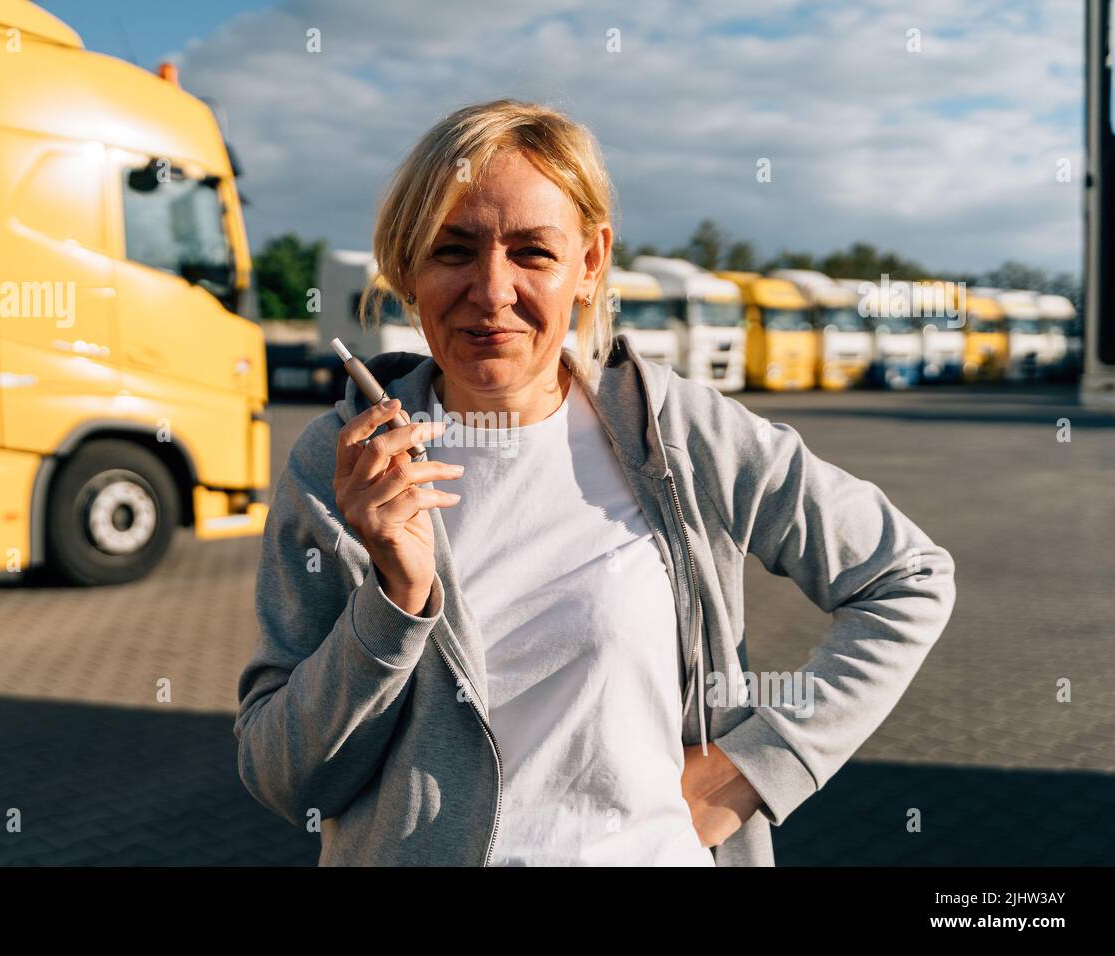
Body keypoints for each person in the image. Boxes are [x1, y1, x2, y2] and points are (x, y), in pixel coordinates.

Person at [234, 99, 956, 866]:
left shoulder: (680, 436)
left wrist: (756, 766)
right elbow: (287, 781)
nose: (491, 291)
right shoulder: (342, 462)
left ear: (590, 263)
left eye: (532, 253)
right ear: (406, 268)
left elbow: (906, 578)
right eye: (453, 251)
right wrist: (394, 603)